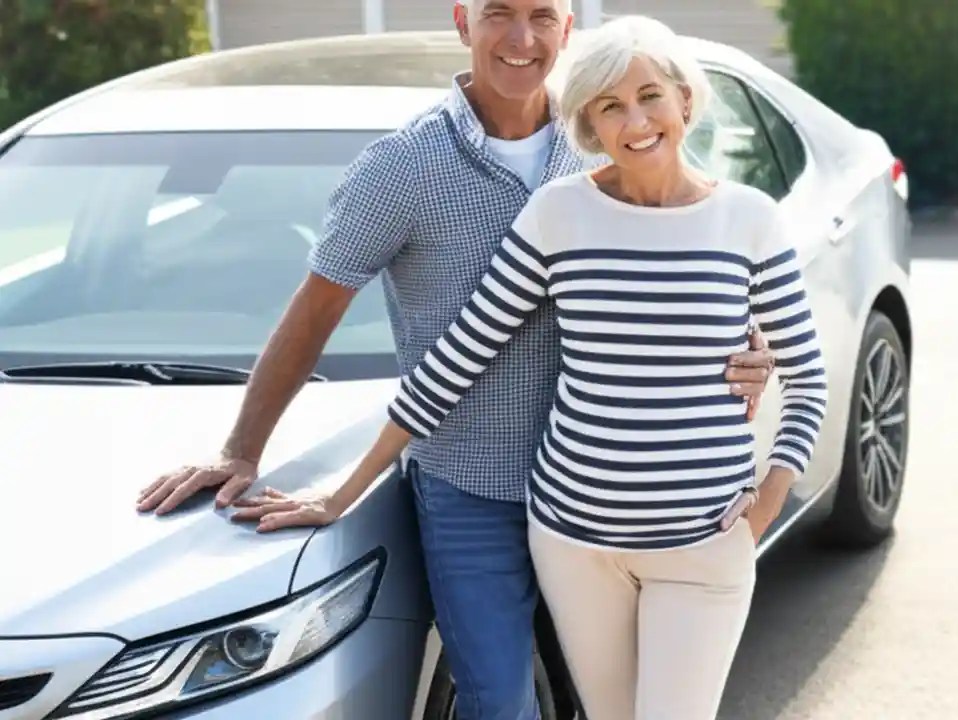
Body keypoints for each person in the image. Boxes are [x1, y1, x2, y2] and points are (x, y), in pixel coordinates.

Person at [134, 3, 774, 719]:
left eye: (542, 15)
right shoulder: (403, 168)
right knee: (499, 703)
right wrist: (242, 449)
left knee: (614, 701)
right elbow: (315, 310)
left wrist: (753, 344)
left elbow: (700, 257)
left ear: (568, 28)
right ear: (463, 21)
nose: (522, 38)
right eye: (499, 13)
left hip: (612, 491)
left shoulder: (608, 130)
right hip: (474, 485)